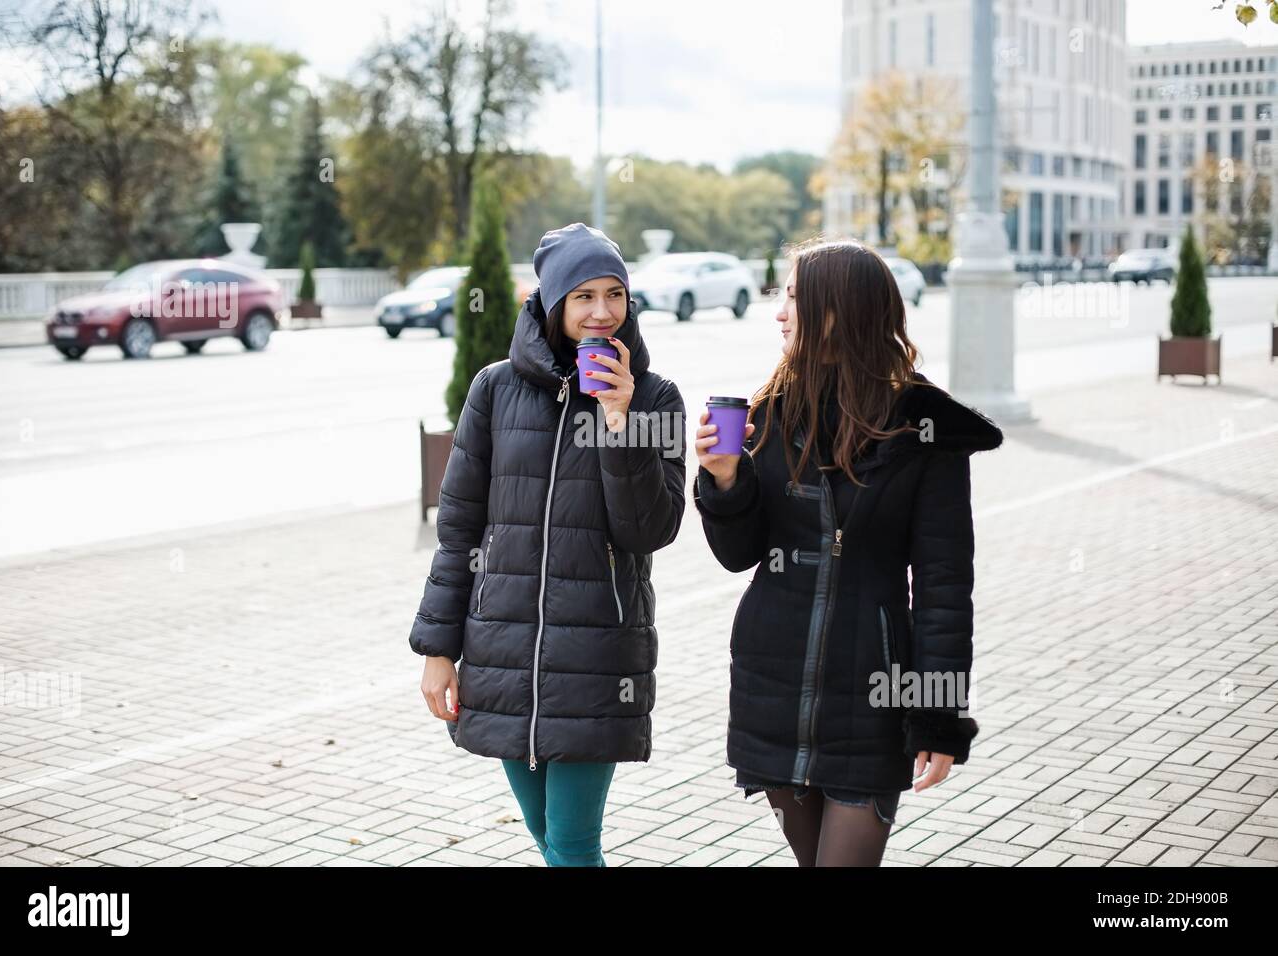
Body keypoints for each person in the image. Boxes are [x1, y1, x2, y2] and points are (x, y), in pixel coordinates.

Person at [692, 239, 1003, 866]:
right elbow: (739, 554)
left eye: (795, 298)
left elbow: (944, 588)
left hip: (873, 698)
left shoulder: (924, 432)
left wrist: (938, 717)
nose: (779, 312)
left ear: (842, 309)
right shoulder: (772, 413)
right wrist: (724, 479)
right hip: (771, 687)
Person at [409, 223, 687, 867]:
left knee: (571, 846)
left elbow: (652, 530)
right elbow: (459, 531)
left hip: (596, 655)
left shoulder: (654, 397)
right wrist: (438, 648)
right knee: (547, 838)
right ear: (552, 302)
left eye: (613, 294)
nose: (600, 312)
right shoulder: (495, 389)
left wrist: (619, 421)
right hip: (502, 653)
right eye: (582, 296)